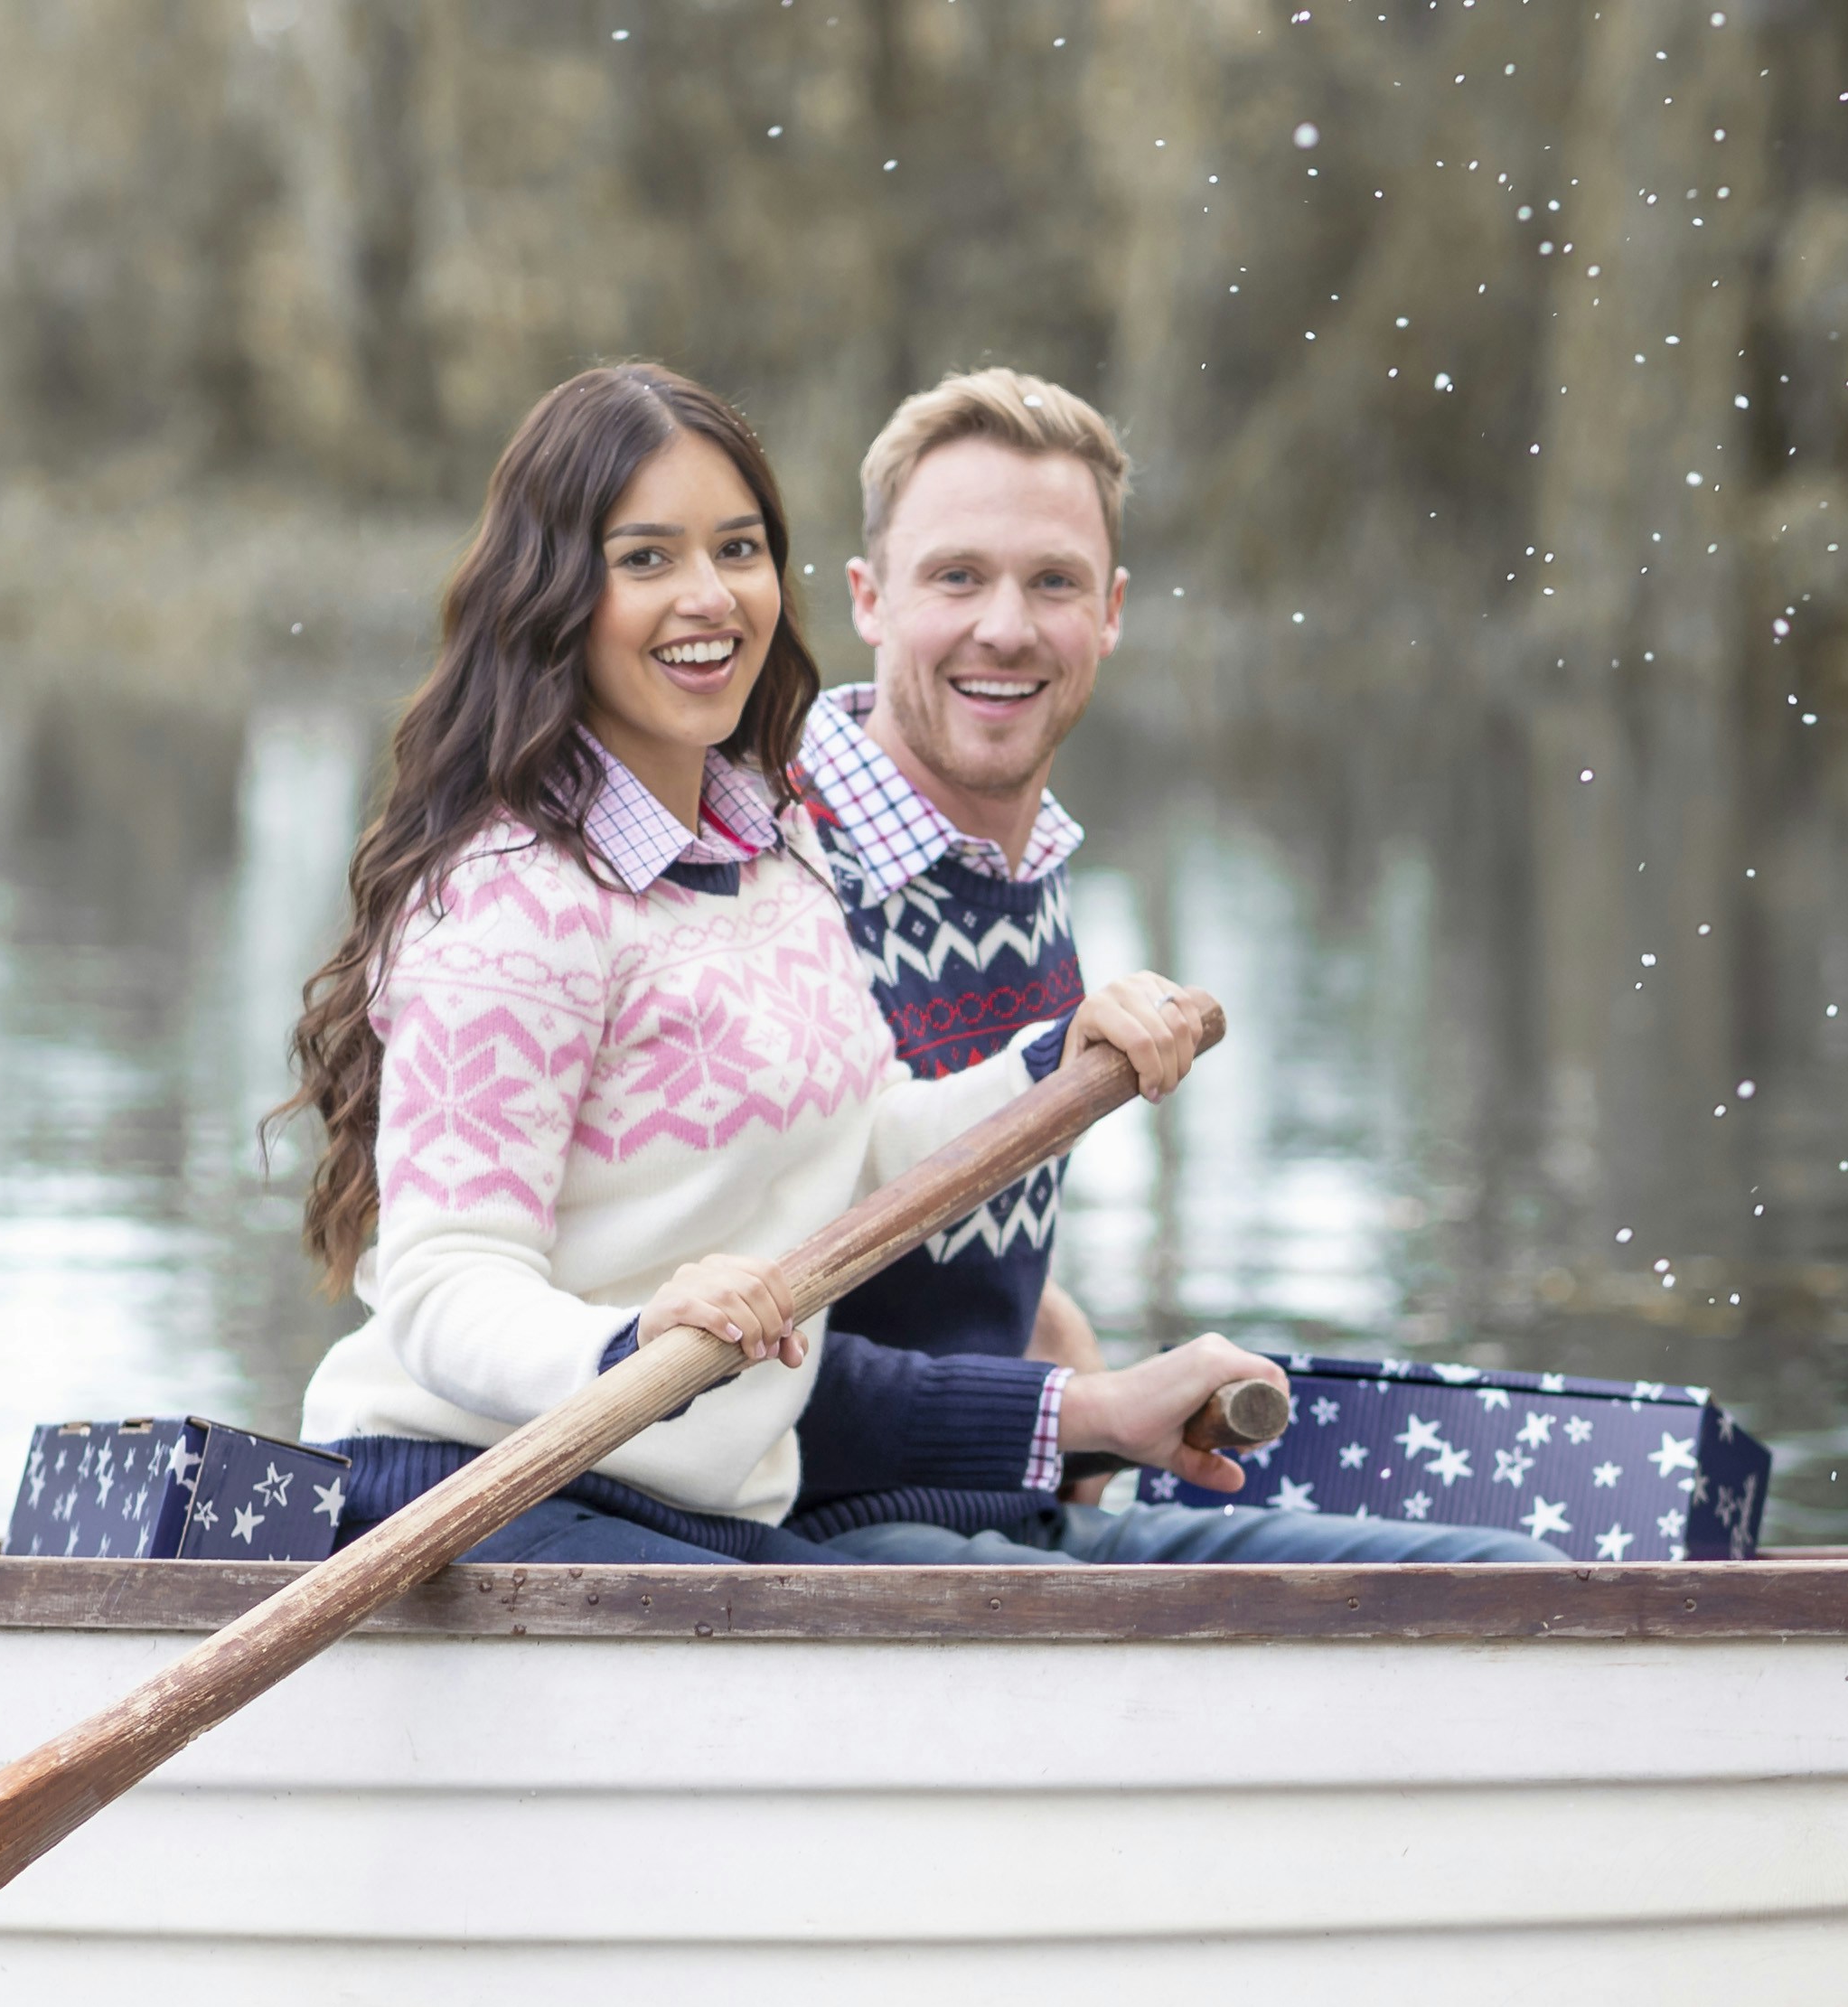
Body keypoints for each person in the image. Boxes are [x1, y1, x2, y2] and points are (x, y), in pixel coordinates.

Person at [280, 361, 1245, 1564]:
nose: (710, 597)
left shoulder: (774, 856)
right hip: (472, 1498)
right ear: (556, 599)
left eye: (737, 551)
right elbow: (444, 1286)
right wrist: (625, 1349)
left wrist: (1059, 1063)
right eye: (647, 559)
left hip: (703, 1512)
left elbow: (868, 1152)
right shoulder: (509, 897)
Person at [788, 368, 1560, 1564]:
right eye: (957, 577)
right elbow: (727, 1363)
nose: (1007, 625)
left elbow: (957, 1281)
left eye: (1054, 582)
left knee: (1510, 1571)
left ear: (1111, 613)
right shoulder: (766, 869)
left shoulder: (1019, 870)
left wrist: (1075, 1385)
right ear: (869, 598)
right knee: (1485, 1602)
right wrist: (1087, 1420)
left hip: (1014, 1505)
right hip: (819, 1543)